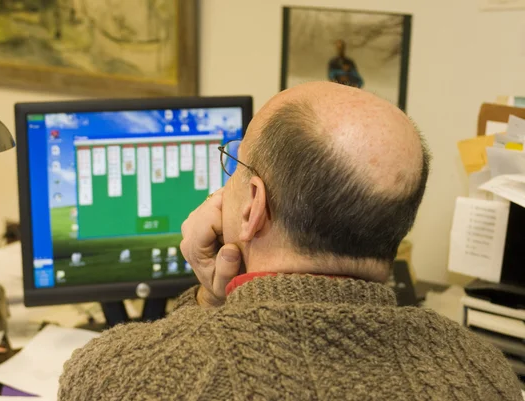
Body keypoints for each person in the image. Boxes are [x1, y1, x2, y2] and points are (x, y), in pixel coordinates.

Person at [58, 82, 522, 401]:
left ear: (252, 205)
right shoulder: (484, 375)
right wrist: (216, 298)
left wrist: (203, 301)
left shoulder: (118, 375)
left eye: (235, 166)